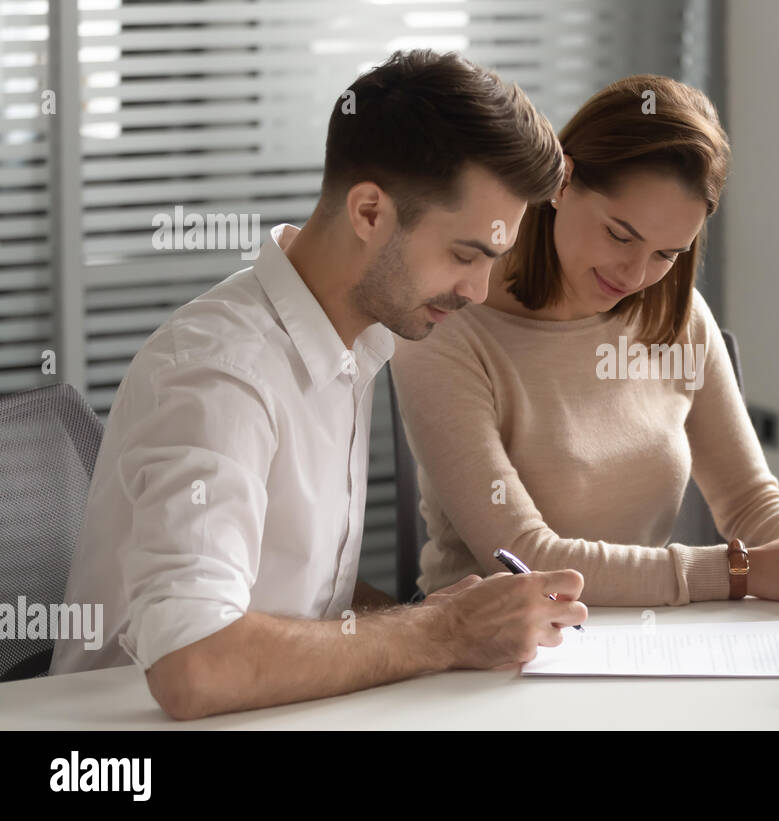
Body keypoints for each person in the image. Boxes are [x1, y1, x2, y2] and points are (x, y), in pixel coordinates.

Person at [51, 50, 588, 718]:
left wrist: (451, 617)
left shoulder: (355, 341)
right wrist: (442, 631)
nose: (477, 291)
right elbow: (193, 665)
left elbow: (292, 597)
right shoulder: (220, 370)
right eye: (464, 254)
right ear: (369, 212)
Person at [391, 75, 779, 608]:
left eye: (667, 254)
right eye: (620, 235)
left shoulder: (675, 314)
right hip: (487, 657)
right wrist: (740, 572)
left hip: (643, 643)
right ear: (563, 183)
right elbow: (527, 558)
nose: (635, 275)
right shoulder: (449, 324)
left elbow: (752, 502)